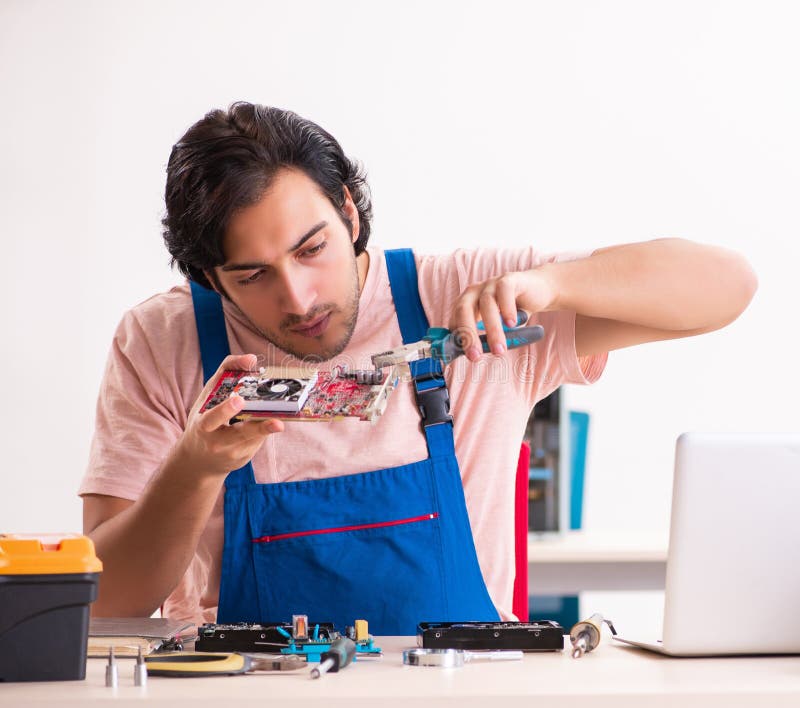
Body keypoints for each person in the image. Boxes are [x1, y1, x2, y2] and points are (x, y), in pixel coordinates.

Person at [80, 102, 757, 632]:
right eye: (253, 274)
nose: (299, 297)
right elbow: (109, 601)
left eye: (312, 248)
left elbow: (729, 286)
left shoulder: (460, 297)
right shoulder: (163, 339)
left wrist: (554, 285)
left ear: (348, 211)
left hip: (456, 685)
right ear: (208, 278)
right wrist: (195, 467)